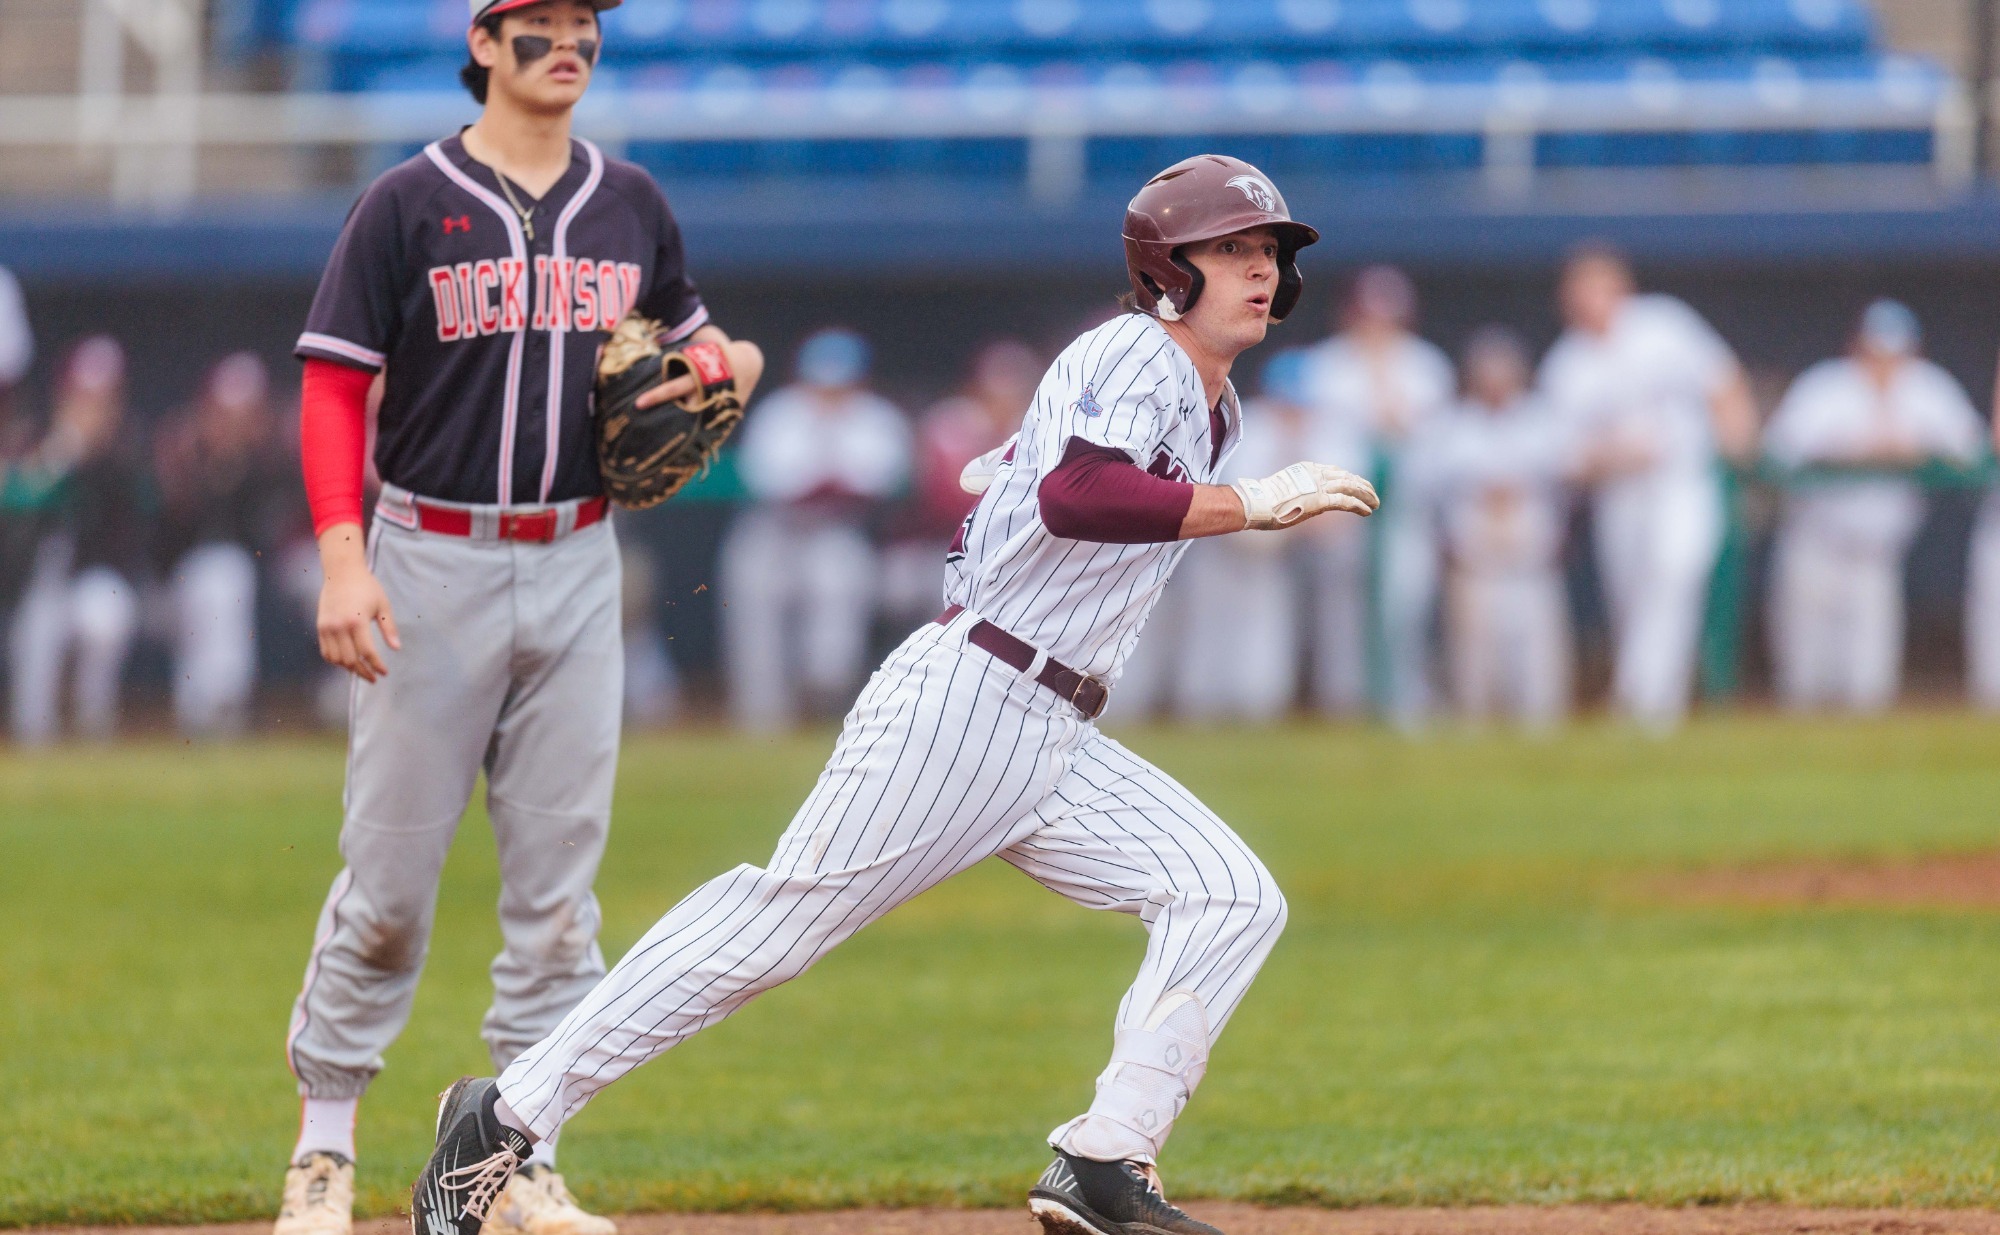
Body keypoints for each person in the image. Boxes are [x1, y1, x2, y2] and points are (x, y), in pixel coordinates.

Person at [408, 154, 1378, 1235]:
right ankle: (503, 1113)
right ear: (1166, 268)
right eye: (1231, 249)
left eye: (1267, 252)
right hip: (970, 706)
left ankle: (1105, 1155)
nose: (1258, 269)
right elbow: (1076, 493)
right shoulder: (1137, 348)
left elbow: (1050, 480)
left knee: (1231, 895)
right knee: (773, 927)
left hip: (1052, 724)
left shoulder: (1208, 396)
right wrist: (1244, 503)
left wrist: (1041, 470)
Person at [275, 3, 765, 1234]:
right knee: (388, 882)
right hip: (428, 552)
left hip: (578, 558)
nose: (567, 42)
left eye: (582, 24)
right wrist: (344, 559)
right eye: (536, 22)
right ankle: (325, 1145)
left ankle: (514, 1150)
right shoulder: (405, 201)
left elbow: (720, 351)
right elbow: (334, 385)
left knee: (557, 897)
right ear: (484, 45)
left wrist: (725, 370)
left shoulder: (630, 203)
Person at [1538, 244, 1756, 732]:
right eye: (1580, 291)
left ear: (1621, 287)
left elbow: (1721, 381)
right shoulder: (1567, 364)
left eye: (1599, 287)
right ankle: (1656, 710)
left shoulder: (1662, 325)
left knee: (1673, 573)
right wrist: (1611, 455)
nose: (1590, 299)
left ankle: (1640, 699)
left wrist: (1739, 445)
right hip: (1620, 492)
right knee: (1633, 599)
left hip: (1682, 481)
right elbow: (1563, 458)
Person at [1764, 300, 1982, 712]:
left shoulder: (1926, 387)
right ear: (1856, 347)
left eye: (1894, 354)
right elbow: (1775, 456)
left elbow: (1974, 454)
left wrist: (1917, 451)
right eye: (1875, 352)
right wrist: (1844, 450)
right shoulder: (1825, 387)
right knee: (1803, 680)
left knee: (1870, 687)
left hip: (1876, 555)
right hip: (1816, 545)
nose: (1884, 363)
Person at [719, 328, 910, 730]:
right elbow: (768, 479)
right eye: (821, 382)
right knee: (756, 620)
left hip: (837, 530)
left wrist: (832, 478)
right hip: (773, 528)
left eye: (839, 383)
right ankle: (763, 723)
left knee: (834, 636)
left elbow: (881, 479)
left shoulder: (877, 417)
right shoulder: (780, 411)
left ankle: (823, 707)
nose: (829, 392)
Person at [1300, 265, 1453, 727]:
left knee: (1404, 606)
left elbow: (1433, 446)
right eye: (1368, 314)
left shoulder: (1425, 365)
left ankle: (1403, 703)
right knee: (1340, 615)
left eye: (1386, 316)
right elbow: (1316, 442)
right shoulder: (1326, 366)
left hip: (1405, 510)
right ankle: (1342, 706)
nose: (1376, 325)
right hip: (1342, 510)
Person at [1428, 327, 1574, 729]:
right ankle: (1473, 730)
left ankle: (1541, 734)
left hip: (1532, 563)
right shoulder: (1453, 426)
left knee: (1538, 669)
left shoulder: (1541, 420)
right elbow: (1434, 493)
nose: (1496, 384)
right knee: (1474, 668)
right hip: (1475, 565)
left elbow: (1566, 482)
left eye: (1504, 374)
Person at [8, 336, 149, 745]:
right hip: (33, 591)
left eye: (103, 400)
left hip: (94, 582)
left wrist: (93, 458)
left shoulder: (127, 453)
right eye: (83, 398)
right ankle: (34, 739)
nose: (92, 411)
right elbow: (16, 503)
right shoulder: (35, 441)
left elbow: (143, 516)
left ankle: (93, 728)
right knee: (39, 624)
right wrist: (60, 456)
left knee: (105, 614)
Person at [1163, 349, 1317, 722]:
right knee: (1210, 633)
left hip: (1269, 553)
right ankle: (1199, 710)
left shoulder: (1310, 429)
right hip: (1221, 544)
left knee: (1263, 635)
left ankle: (1257, 710)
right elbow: (1235, 496)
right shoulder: (1251, 426)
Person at [154, 352, 294, 738]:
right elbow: (164, 543)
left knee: (227, 573)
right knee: (219, 574)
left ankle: (217, 706)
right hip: (170, 590)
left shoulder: (267, 466)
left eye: (244, 414)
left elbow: (261, 543)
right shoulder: (183, 454)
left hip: (243, 594)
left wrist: (237, 467)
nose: (232, 425)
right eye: (224, 412)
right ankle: (213, 708)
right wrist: (195, 473)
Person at [881, 338, 1041, 632]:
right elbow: (943, 499)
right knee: (911, 592)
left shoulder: (1041, 424)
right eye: (997, 382)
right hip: (937, 545)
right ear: (975, 384)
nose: (1004, 394)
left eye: (1014, 384)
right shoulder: (950, 420)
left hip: (1015, 550)